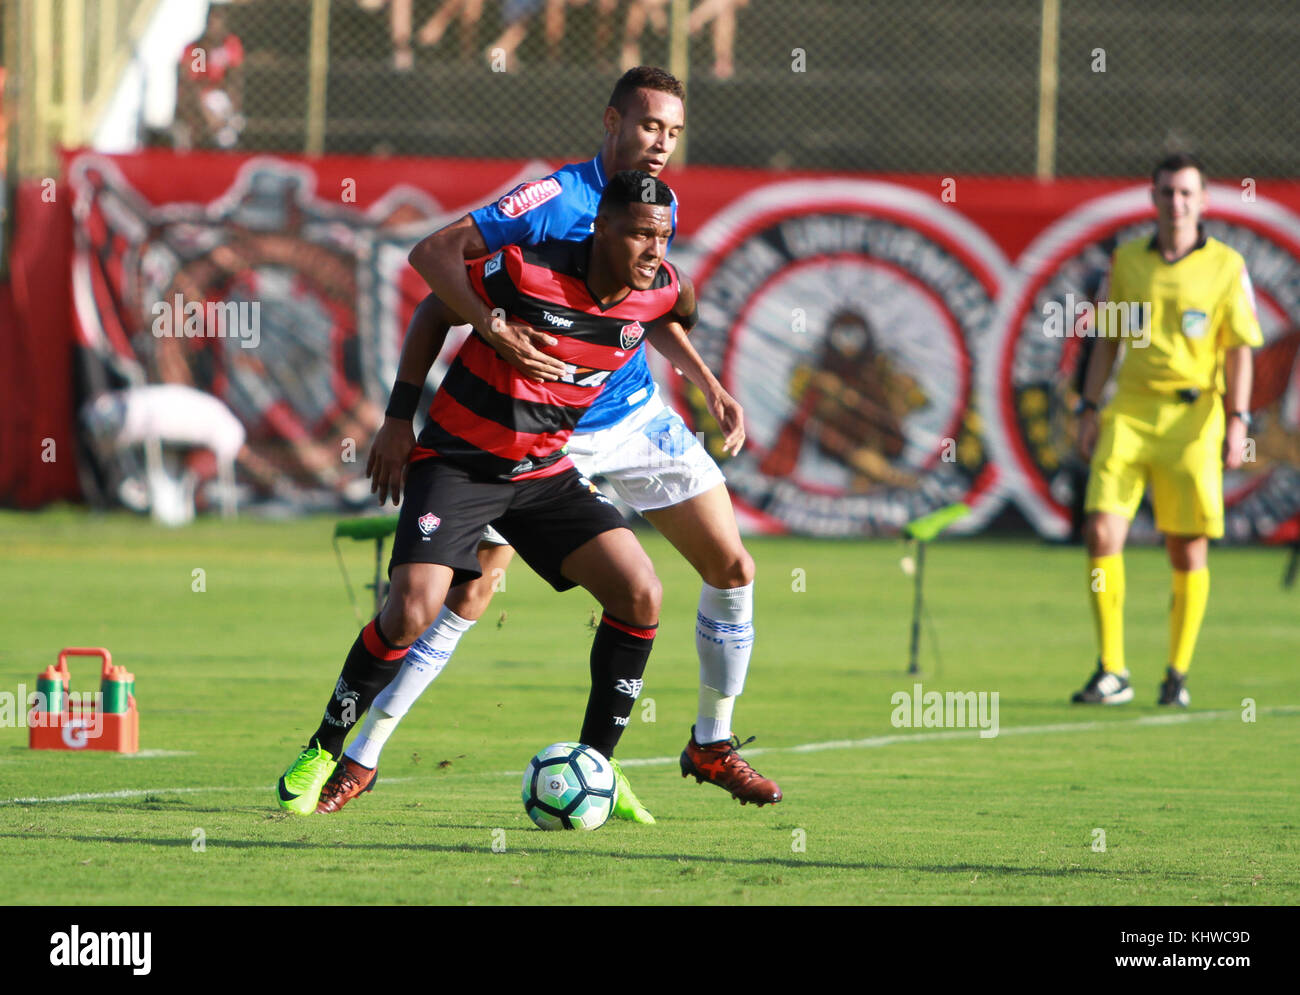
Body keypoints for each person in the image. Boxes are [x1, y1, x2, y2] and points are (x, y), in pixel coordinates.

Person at [317, 66, 780, 818]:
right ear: (611, 122)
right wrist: (430, 388)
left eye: (672, 132)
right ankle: (360, 755)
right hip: (538, 432)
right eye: (647, 127)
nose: (659, 145)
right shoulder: (554, 199)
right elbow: (440, 290)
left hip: (635, 417)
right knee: (464, 594)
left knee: (732, 564)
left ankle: (711, 742)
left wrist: (705, 382)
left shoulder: (654, 204)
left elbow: (650, 298)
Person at [278, 171, 689, 818]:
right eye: (640, 232)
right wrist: (396, 418)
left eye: (663, 236)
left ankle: (598, 766)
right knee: (413, 608)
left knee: (641, 592)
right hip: (459, 464)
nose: (653, 249)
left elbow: (676, 308)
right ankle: (324, 748)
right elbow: (433, 308)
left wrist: (711, 385)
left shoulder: (659, 287)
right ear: (602, 226)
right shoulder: (525, 271)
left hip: (542, 474)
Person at [1072, 152, 1262, 707]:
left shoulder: (1227, 266)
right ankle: (1112, 669)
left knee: (1186, 547)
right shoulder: (1129, 261)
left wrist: (1238, 420)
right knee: (1101, 531)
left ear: (1203, 200)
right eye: (1166, 192)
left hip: (1194, 416)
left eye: (1185, 193)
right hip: (1130, 410)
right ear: (1151, 198)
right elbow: (1108, 338)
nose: (1175, 203)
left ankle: (1176, 673)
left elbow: (1240, 349)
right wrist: (1088, 405)